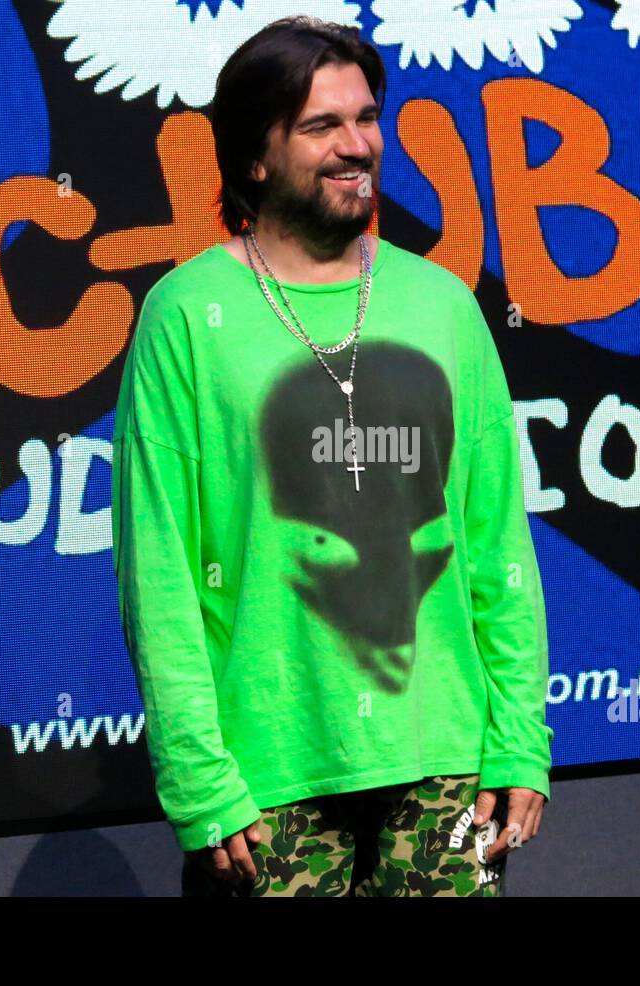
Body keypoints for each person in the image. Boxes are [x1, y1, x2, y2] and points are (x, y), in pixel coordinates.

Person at [111, 15, 553, 897]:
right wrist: (201, 780)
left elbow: (497, 547)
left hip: (447, 762)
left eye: (366, 118)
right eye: (322, 126)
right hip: (266, 782)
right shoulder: (187, 317)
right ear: (253, 157)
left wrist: (518, 742)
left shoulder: (442, 307)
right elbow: (157, 576)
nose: (357, 146)